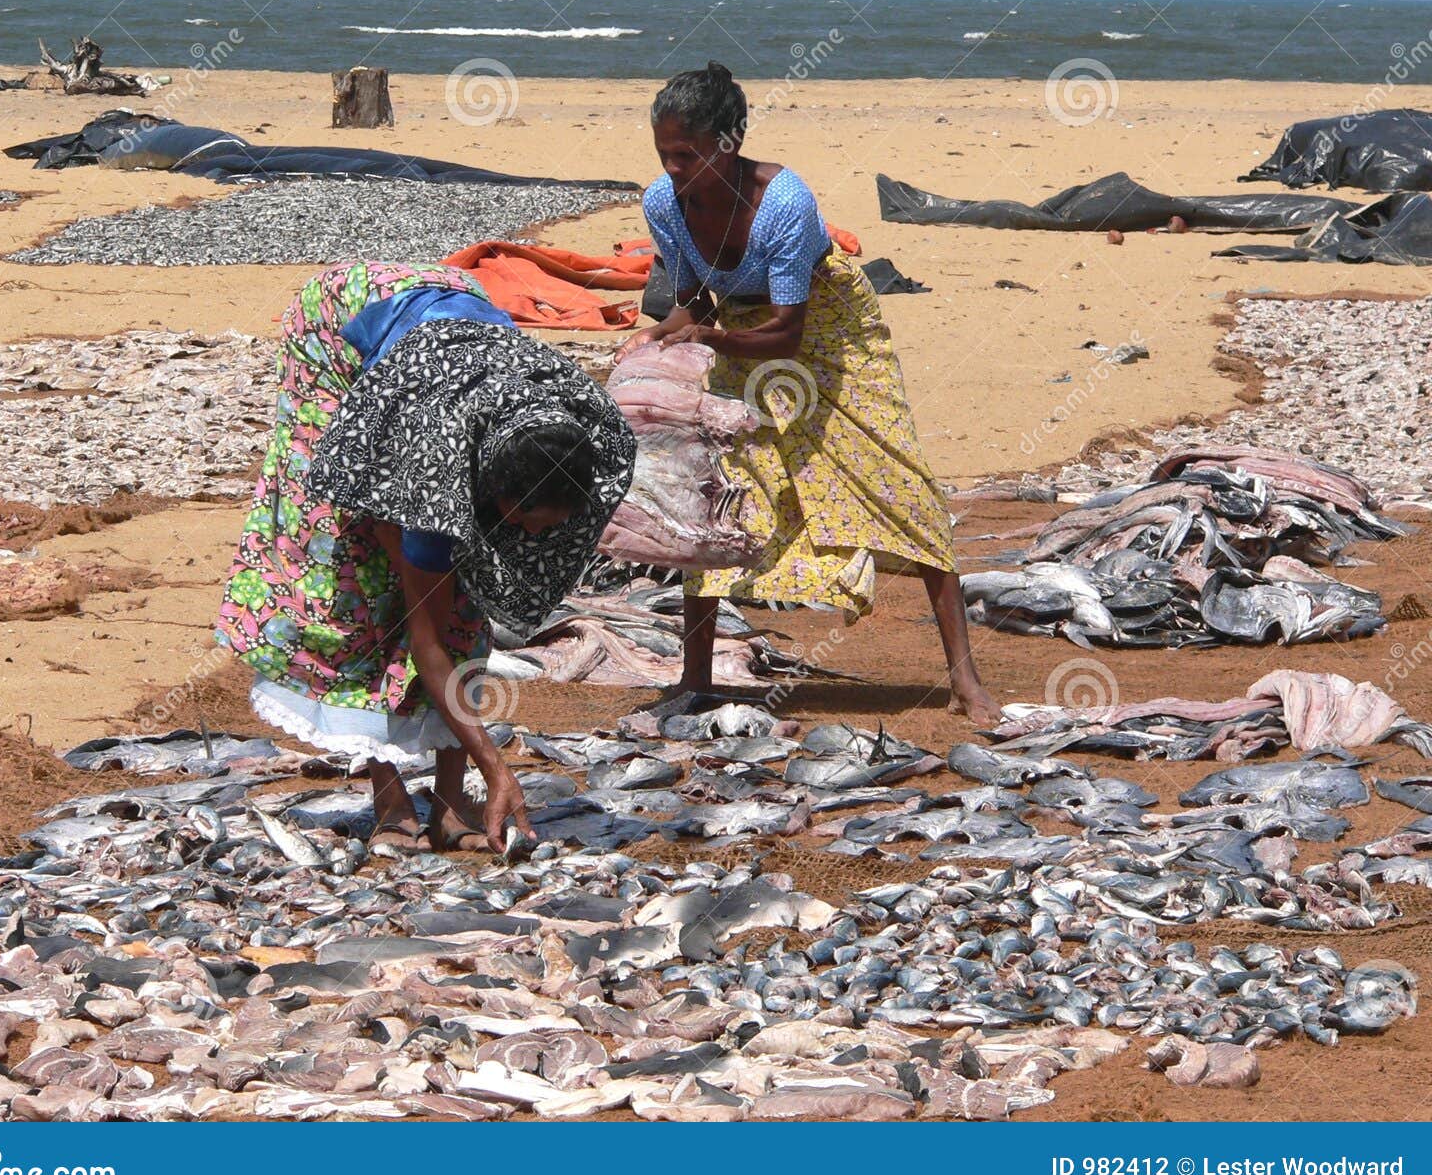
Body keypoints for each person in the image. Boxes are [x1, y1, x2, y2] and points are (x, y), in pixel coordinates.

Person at [621, 62, 1001, 724]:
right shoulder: (665, 205)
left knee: (903, 490)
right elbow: (690, 305)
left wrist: (704, 338)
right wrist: (656, 342)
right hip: (739, 328)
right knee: (717, 493)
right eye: (665, 156)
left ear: (726, 145)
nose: (675, 171)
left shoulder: (785, 205)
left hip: (827, 333)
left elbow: (789, 336)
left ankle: (965, 683)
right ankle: (696, 679)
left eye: (687, 155)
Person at [217, 261, 636, 853]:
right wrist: (498, 766)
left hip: (453, 314)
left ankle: (449, 802)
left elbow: (481, 577)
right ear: (491, 491)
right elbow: (427, 640)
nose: (529, 535)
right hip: (342, 329)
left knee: (465, 599)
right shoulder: (434, 472)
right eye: (521, 520)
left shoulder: (583, 435)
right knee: (369, 579)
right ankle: (390, 800)